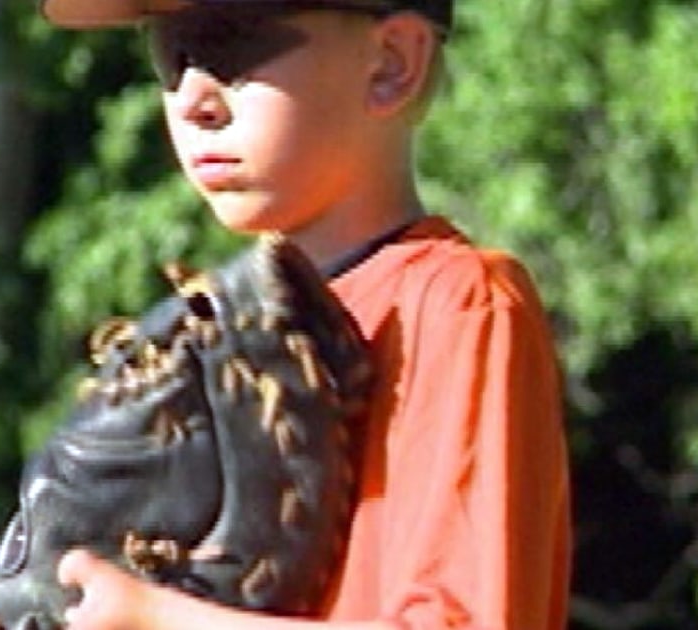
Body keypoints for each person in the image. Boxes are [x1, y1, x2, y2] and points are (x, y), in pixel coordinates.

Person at [43, 1, 572, 628]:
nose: (192, 99)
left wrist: (157, 619)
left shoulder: (455, 301)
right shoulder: (217, 342)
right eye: (169, 53)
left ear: (390, 64)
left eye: (231, 42)